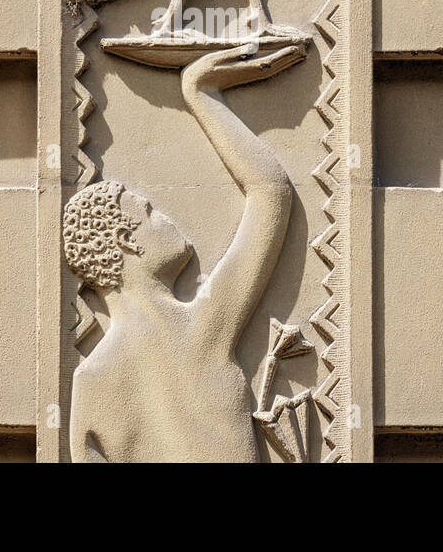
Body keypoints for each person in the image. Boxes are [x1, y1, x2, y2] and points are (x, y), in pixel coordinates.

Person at [63, 42, 303, 461]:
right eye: (151, 213)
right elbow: (271, 194)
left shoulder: (90, 384)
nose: (168, 220)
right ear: (126, 240)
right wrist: (202, 95)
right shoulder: (204, 329)